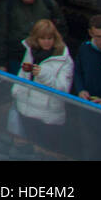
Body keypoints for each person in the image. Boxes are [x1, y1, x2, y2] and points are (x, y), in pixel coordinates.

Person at [10, 19, 74, 151]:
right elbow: (23, 74)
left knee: (47, 151)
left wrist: (44, 74)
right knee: (31, 148)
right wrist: (16, 91)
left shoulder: (64, 60)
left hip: (48, 115)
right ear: (36, 39)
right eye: (42, 38)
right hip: (26, 109)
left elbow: (63, 89)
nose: (47, 41)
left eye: (50, 38)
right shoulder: (30, 51)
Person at [0, 0, 68, 73]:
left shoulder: (48, 4)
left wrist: (54, 51)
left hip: (44, 59)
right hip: (17, 59)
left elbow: (61, 29)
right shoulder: (8, 6)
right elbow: (0, 36)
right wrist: (1, 63)